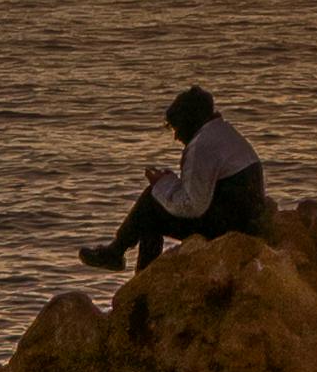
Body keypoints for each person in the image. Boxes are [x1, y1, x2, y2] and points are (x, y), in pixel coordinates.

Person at [82, 83, 274, 274]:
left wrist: (161, 185)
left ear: (188, 123)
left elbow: (193, 205)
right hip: (244, 218)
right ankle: (129, 263)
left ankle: (123, 258)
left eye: (176, 129)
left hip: (229, 226)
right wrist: (168, 183)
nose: (176, 137)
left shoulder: (202, 145)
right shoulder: (223, 134)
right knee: (155, 204)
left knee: (151, 205)